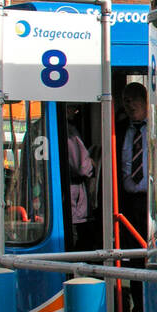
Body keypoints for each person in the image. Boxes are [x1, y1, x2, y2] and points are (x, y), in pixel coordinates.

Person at [118, 82, 149, 312]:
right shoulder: (120, 130)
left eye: (134, 100)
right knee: (135, 260)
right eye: (126, 101)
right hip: (129, 204)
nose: (130, 106)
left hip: (153, 202)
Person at [65, 107, 95, 251]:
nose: (75, 112)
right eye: (73, 108)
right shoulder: (69, 131)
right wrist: (93, 163)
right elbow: (81, 167)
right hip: (74, 206)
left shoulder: (36, 129)